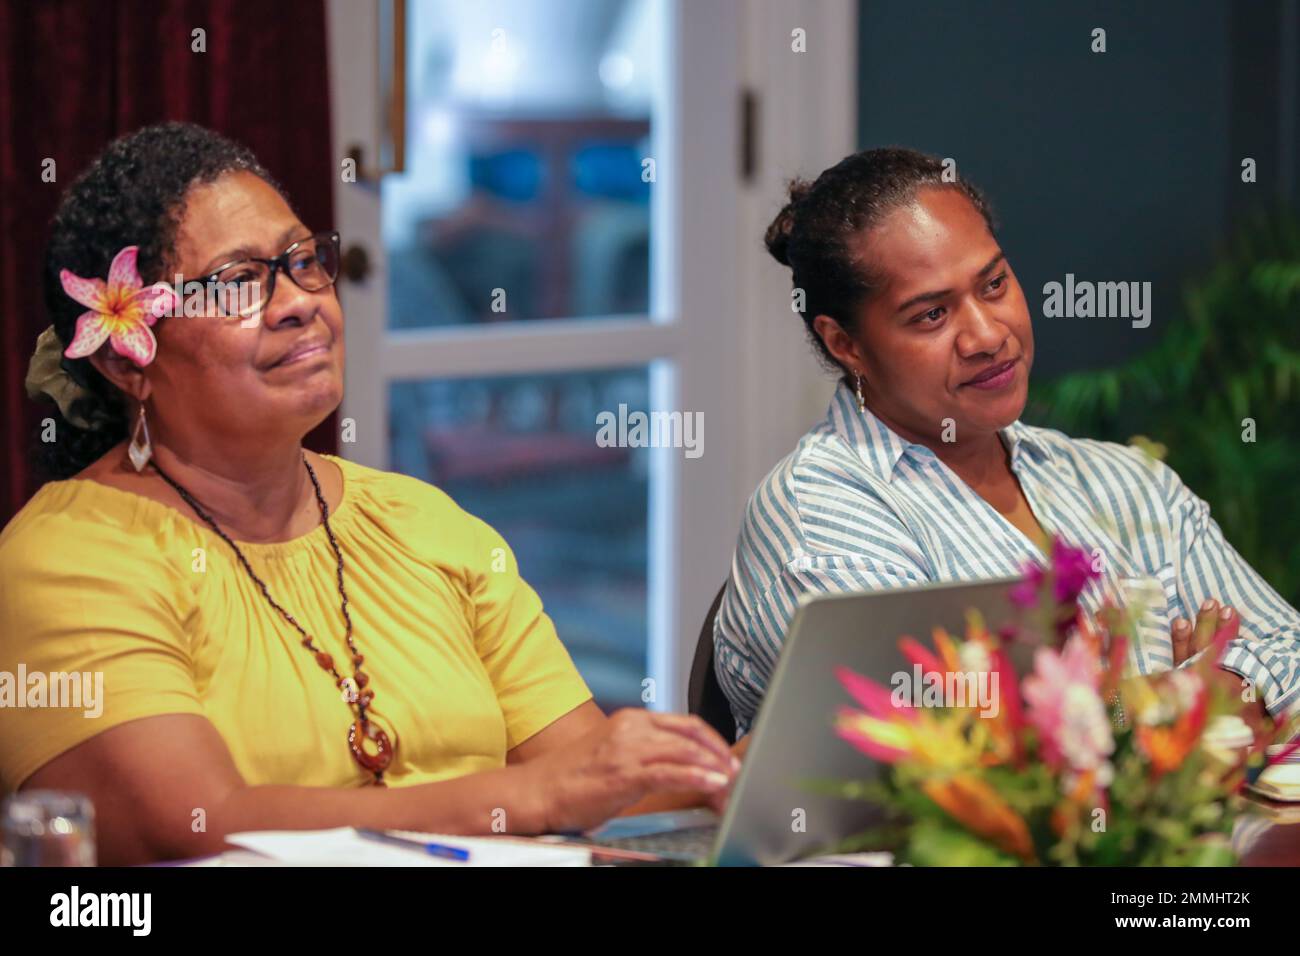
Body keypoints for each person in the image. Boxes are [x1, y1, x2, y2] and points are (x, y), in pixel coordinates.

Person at [0, 122, 737, 865]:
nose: (297, 302)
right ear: (129, 363)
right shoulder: (71, 561)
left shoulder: (420, 522)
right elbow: (192, 823)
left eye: (300, 262)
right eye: (236, 284)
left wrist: (748, 771)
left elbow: (586, 775)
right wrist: (530, 799)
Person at [714, 146, 1300, 738]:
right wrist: (1188, 696)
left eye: (993, 284)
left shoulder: (1126, 482)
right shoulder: (818, 518)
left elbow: (1290, 647)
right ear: (847, 344)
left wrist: (1163, 700)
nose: (988, 335)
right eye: (931, 316)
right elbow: (957, 758)